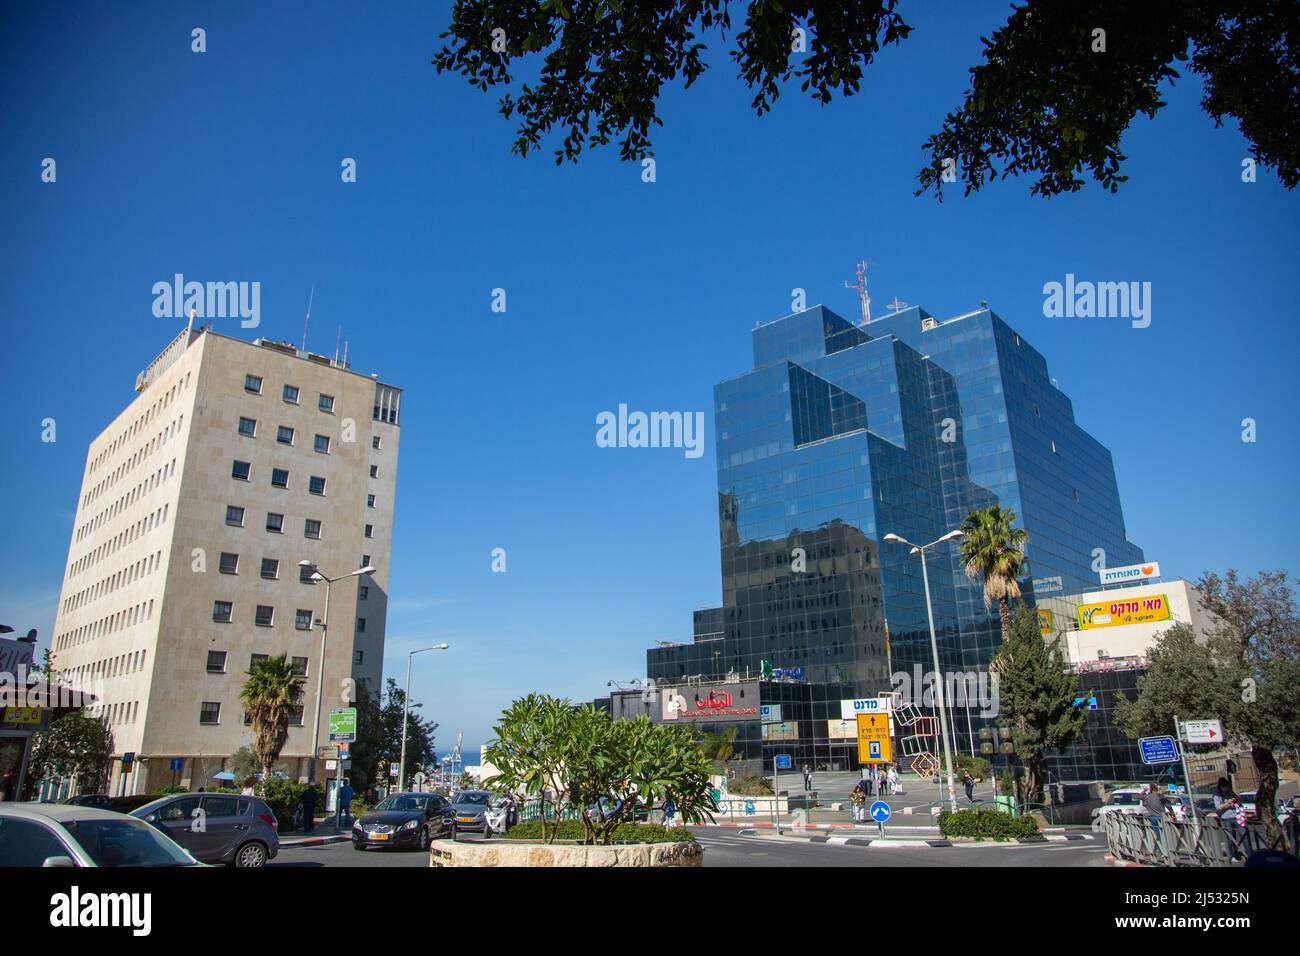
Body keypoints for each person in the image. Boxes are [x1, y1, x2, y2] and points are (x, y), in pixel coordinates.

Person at [1212, 777, 1245, 860]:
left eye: (1227, 787)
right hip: (1226, 818)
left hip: (1236, 816)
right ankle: (1231, 855)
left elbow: (1238, 799)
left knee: (1243, 835)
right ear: (1220, 787)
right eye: (1224, 787)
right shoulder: (1217, 795)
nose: (1226, 789)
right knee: (1229, 838)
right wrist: (1227, 803)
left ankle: (1245, 853)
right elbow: (1218, 807)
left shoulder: (1230, 791)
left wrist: (1235, 800)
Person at [1143, 781, 1168, 854]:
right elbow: (1166, 802)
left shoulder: (1147, 797)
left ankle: (1158, 849)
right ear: (1156, 788)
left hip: (1153, 817)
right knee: (1164, 834)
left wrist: (1143, 791)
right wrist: (1162, 793)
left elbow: (1141, 800)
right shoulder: (1160, 797)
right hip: (1162, 817)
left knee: (1156, 834)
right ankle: (1165, 850)